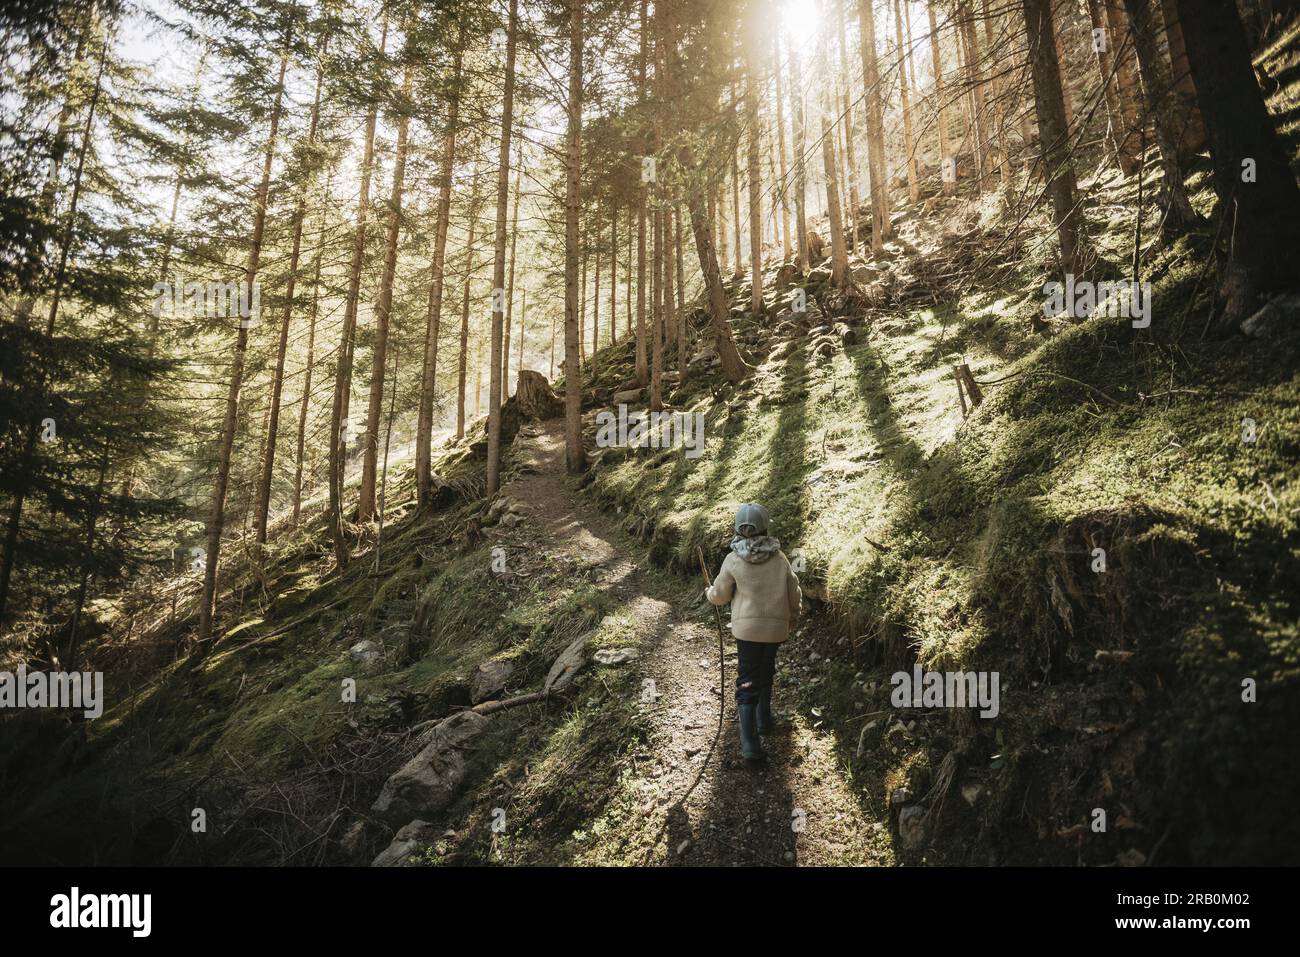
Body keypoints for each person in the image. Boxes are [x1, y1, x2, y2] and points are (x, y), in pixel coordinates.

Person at [705, 503, 802, 762]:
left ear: (738, 528)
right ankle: (764, 721)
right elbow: (794, 591)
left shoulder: (734, 558)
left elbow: (721, 595)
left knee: (747, 677)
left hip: (746, 631)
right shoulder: (780, 558)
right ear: (764, 526)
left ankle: (749, 742)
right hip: (775, 628)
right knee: (766, 669)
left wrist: (709, 594)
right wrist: (793, 616)